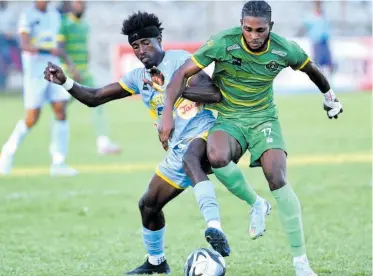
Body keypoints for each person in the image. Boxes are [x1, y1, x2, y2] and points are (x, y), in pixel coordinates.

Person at [159, 1, 343, 275]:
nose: (254, 35)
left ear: (271, 27)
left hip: (264, 119)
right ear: (241, 25)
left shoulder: (284, 48)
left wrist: (329, 97)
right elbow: (181, 74)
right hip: (230, 118)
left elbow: (311, 68)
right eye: (248, 29)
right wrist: (167, 115)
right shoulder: (223, 42)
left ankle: (301, 263)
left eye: (260, 30)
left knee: (278, 179)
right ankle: (256, 203)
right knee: (217, 156)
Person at [44, 11, 230, 275]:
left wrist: (172, 90)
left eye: (146, 43)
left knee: (191, 159)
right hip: (177, 149)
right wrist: (65, 82)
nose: (141, 50)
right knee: (148, 205)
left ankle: (215, 226)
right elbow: (95, 97)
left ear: (159, 40)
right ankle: (156, 264)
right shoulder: (136, 78)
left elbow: (213, 93)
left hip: (205, 134)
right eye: (135, 46)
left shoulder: (181, 61)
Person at [0, 0, 77, 176]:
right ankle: (7, 153)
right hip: (35, 73)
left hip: (54, 69)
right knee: (32, 117)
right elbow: (25, 45)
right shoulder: (27, 16)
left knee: (61, 111)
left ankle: (59, 163)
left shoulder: (55, 16)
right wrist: (48, 50)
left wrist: (70, 65)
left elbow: (59, 45)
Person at [58, 0, 122, 155]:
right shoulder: (64, 23)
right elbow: (60, 48)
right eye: (78, 3)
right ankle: (56, 150)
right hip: (69, 74)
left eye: (83, 3)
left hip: (85, 73)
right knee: (59, 108)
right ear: (72, 5)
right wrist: (71, 68)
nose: (81, 5)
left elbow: (85, 49)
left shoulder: (85, 24)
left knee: (99, 100)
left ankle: (103, 143)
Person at [297, 0, 334, 77]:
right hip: (317, 41)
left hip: (324, 41)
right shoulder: (311, 17)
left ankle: (330, 78)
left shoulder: (324, 16)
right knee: (318, 61)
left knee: (329, 62)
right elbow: (303, 27)